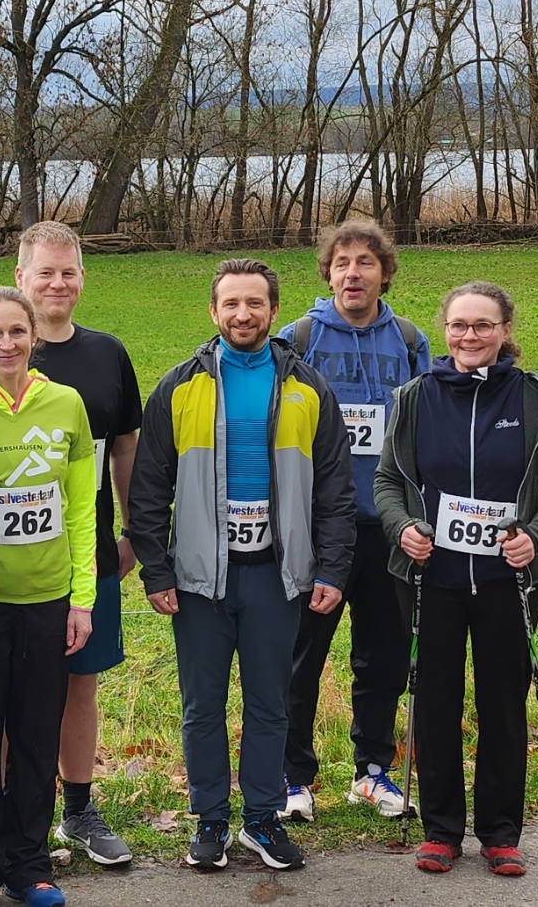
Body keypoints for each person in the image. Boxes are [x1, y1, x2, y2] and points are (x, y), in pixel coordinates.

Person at [128, 259, 356, 872]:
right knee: (202, 706)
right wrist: (156, 570)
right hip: (202, 579)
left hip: (277, 575)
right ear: (213, 311)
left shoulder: (309, 387)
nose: (243, 315)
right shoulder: (180, 387)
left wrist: (332, 569)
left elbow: (335, 488)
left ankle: (261, 819)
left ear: (274, 311)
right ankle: (210, 821)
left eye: (255, 303)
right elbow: (148, 488)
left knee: (269, 704)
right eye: (231, 304)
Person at [0, 221, 140, 866]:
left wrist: (133, 529)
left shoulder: (107, 354)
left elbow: (125, 449)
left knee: (77, 683)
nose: (59, 282)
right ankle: (3, 819)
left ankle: (78, 812)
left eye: (70, 271)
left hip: (81, 557)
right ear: (21, 278)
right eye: (45, 272)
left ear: (83, 277)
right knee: (2, 700)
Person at [373, 280, 538, 877]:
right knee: (434, 704)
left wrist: (535, 537)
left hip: (506, 581)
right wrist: (404, 528)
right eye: (460, 325)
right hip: (429, 577)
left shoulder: (536, 398)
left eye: (483, 326)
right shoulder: (415, 397)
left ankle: (500, 833)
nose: (470, 336)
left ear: (505, 332)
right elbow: (387, 481)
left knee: (503, 706)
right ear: (445, 331)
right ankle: (441, 830)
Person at [0, 287, 97, 907]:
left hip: (47, 601)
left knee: (36, 739)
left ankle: (30, 864)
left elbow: (83, 507)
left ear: (34, 336)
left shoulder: (67, 404)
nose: (6, 344)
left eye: (17, 332)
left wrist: (80, 599)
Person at [273, 220, 430, 822]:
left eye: (366, 262)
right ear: (328, 272)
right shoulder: (299, 337)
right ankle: (293, 778)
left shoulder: (411, 340)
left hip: (389, 528)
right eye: (342, 263)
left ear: (384, 273)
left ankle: (373, 770)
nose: (353, 273)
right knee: (300, 657)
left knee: (383, 658)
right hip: (317, 530)